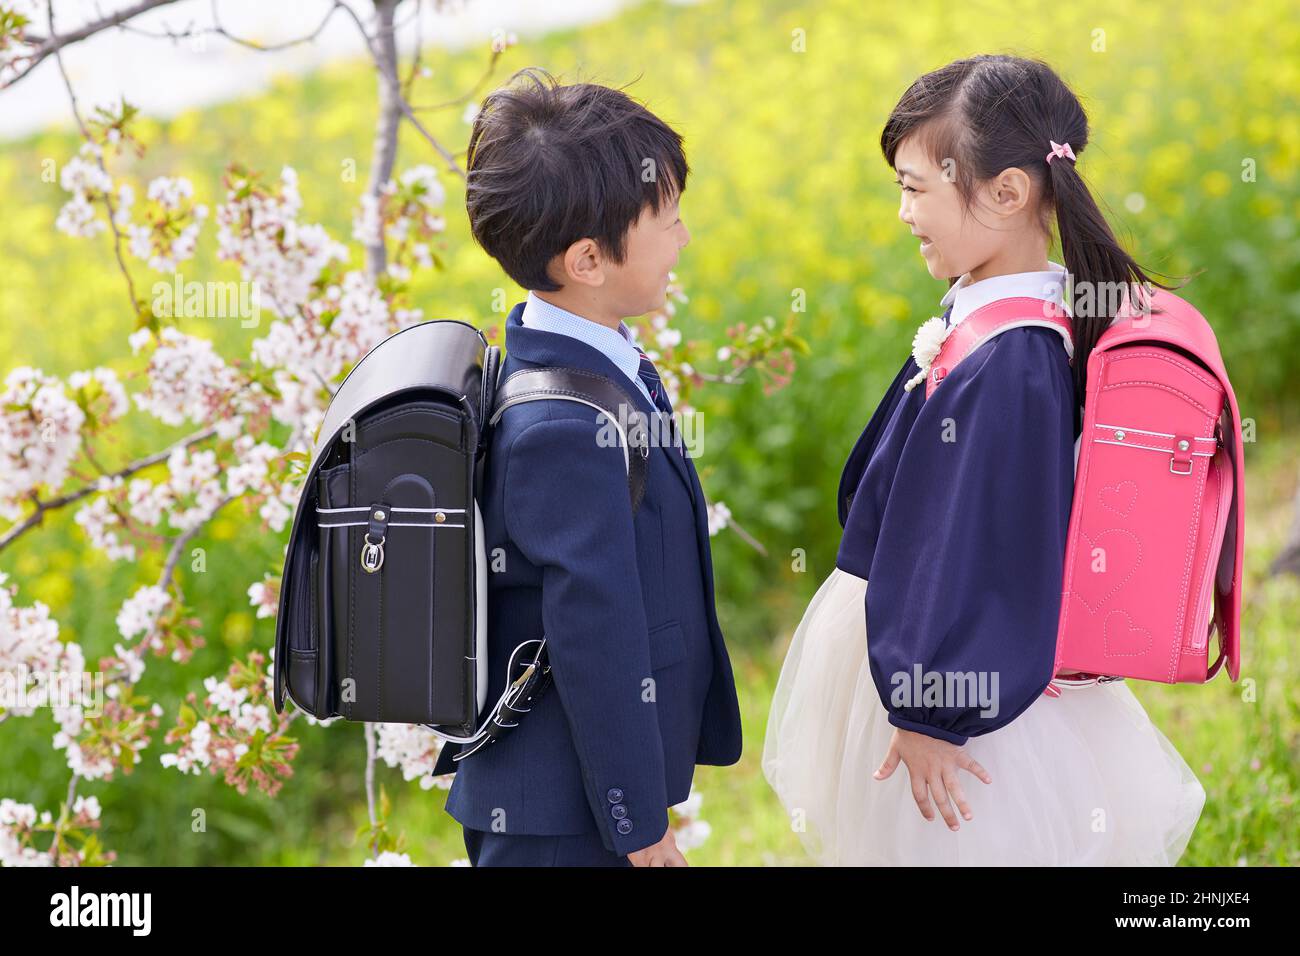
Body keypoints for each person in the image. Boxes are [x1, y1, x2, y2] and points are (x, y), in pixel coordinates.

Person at [762, 54, 1206, 866]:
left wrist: (931, 707)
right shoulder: (1011, 311)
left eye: (914, 186)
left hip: (953, 681)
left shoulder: (1012, 357)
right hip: (928, 648)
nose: (903, 213)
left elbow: (987, 541)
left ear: (1007, 192)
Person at [430, 68, 743, 867]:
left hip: (568, 793)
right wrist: (637, 823)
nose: (684, 238)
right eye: (666, 220)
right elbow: (592, 639)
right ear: (587, 261)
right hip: (560, 819)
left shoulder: (583, 366)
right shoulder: (561, 426)